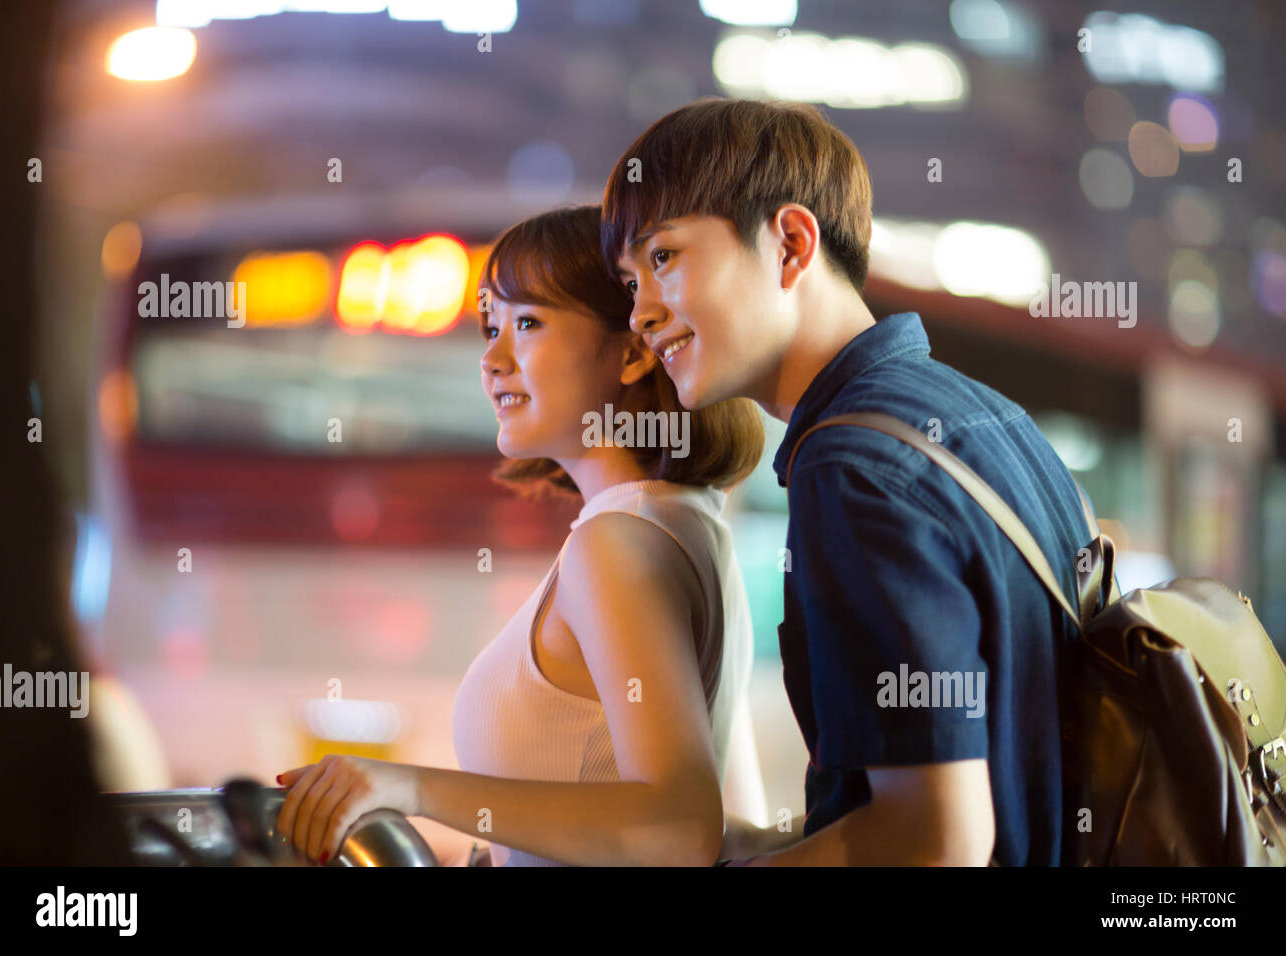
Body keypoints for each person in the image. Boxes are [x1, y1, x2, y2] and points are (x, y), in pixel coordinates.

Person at [601, 98, 1095, 866]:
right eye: (630, 282)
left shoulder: (854, 468)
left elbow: (936, 839)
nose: (641, 313)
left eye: (662, 257)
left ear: (791, 245)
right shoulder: (979, 414)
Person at [276, 205, 767, 866]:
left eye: (528, 324)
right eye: (490, 327)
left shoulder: (617, 543)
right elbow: (736, 824)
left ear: (629, 351)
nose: (492, 360)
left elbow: (681, 828)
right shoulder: (686, 521)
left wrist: (407, 785)